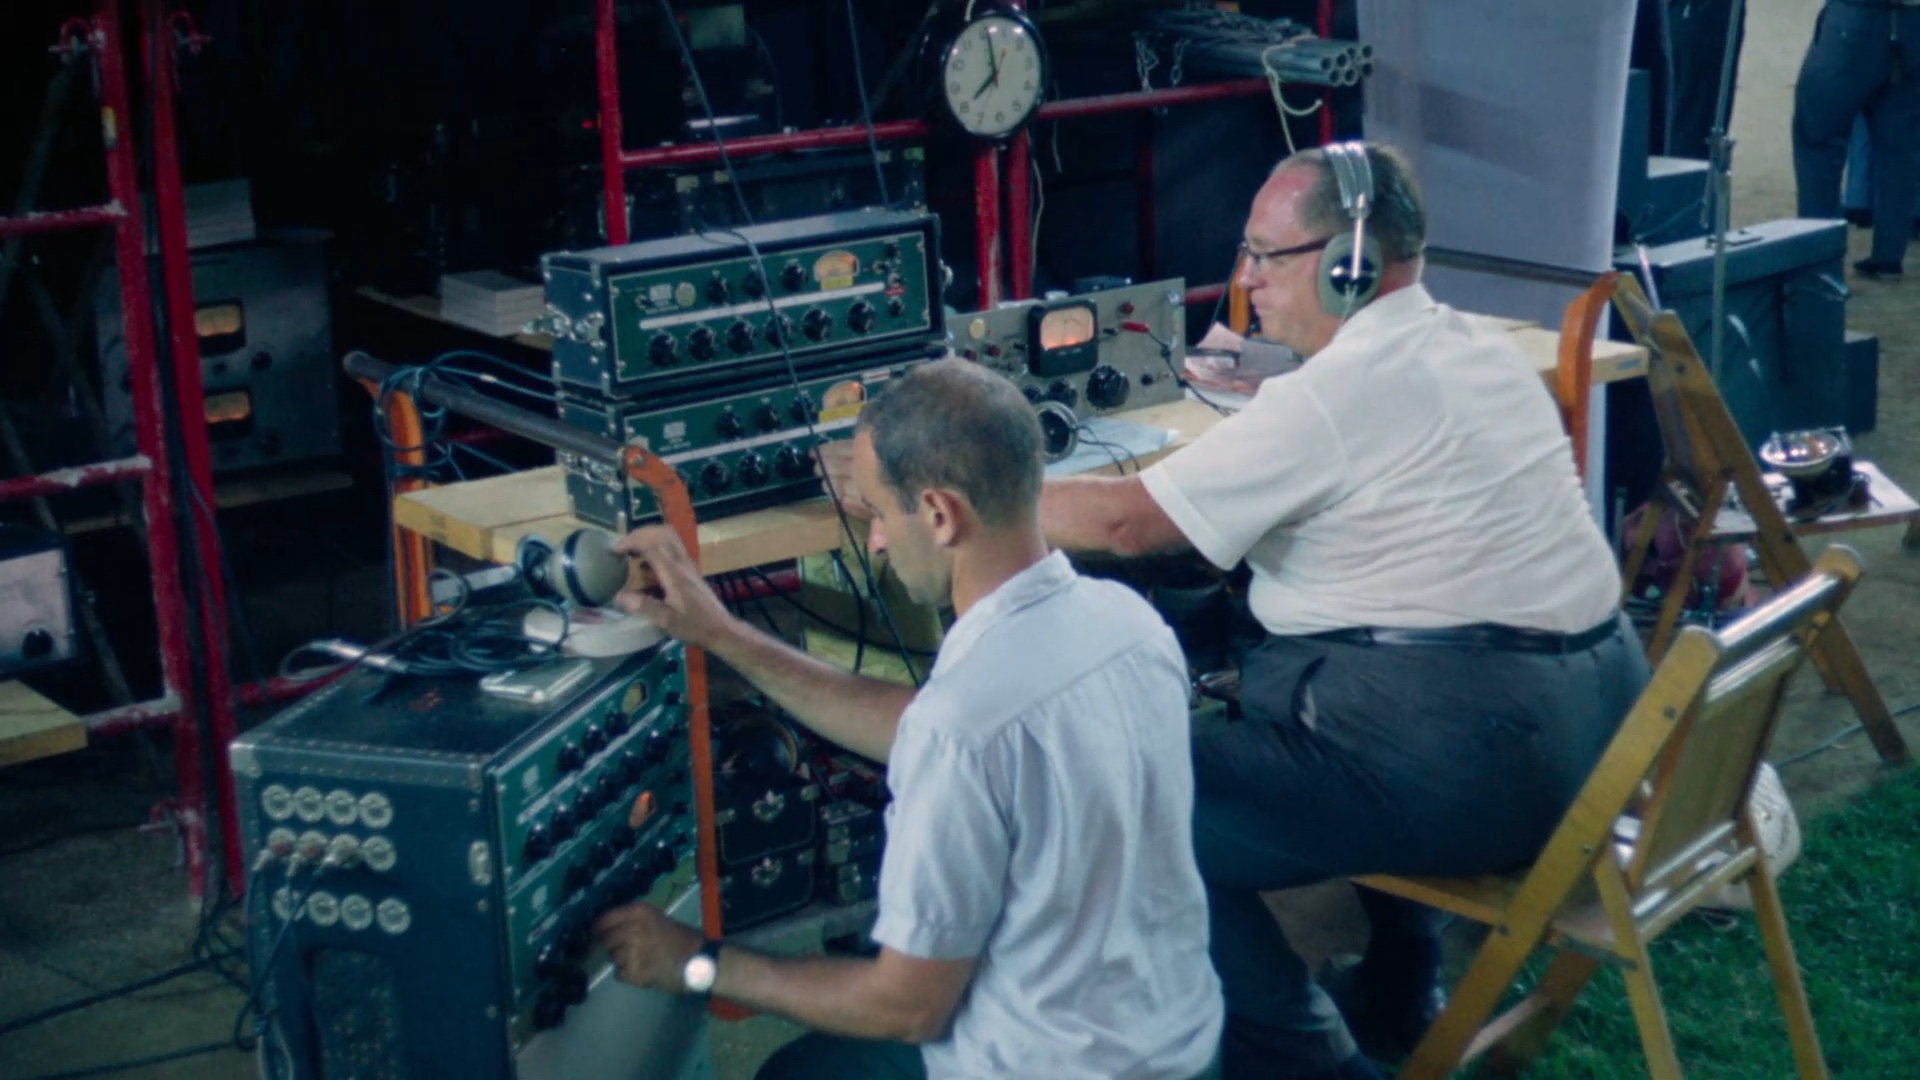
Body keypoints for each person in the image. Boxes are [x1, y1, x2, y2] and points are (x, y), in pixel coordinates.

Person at [826, 144, 1649, 1079]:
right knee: (1351, 686)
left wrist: (956, 491)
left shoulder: (1337, 393)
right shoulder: (1481, 348)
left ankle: (1311, 1064)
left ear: (1349, 267)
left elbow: (1129, 523)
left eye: (1266, 255)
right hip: (1602, 741)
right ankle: (1399, 986)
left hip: (1477, 765)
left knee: (1128, 801)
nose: (1247, 280)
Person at [594, 359, 1224, 1080]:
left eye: (878, 514)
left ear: (939, 515)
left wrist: (696, 962)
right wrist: (721, 633)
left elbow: (907, 1009)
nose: (877, 542)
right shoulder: (1131, 627)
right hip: (1185, 1051)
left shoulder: (961, 730)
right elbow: (945, 730)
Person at [1792, 1, 1920, 280]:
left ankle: (1820, 259)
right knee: (1900, 148)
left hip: (1856, 19)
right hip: (1914, 22)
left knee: (1818, 139)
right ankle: (1889, 256)